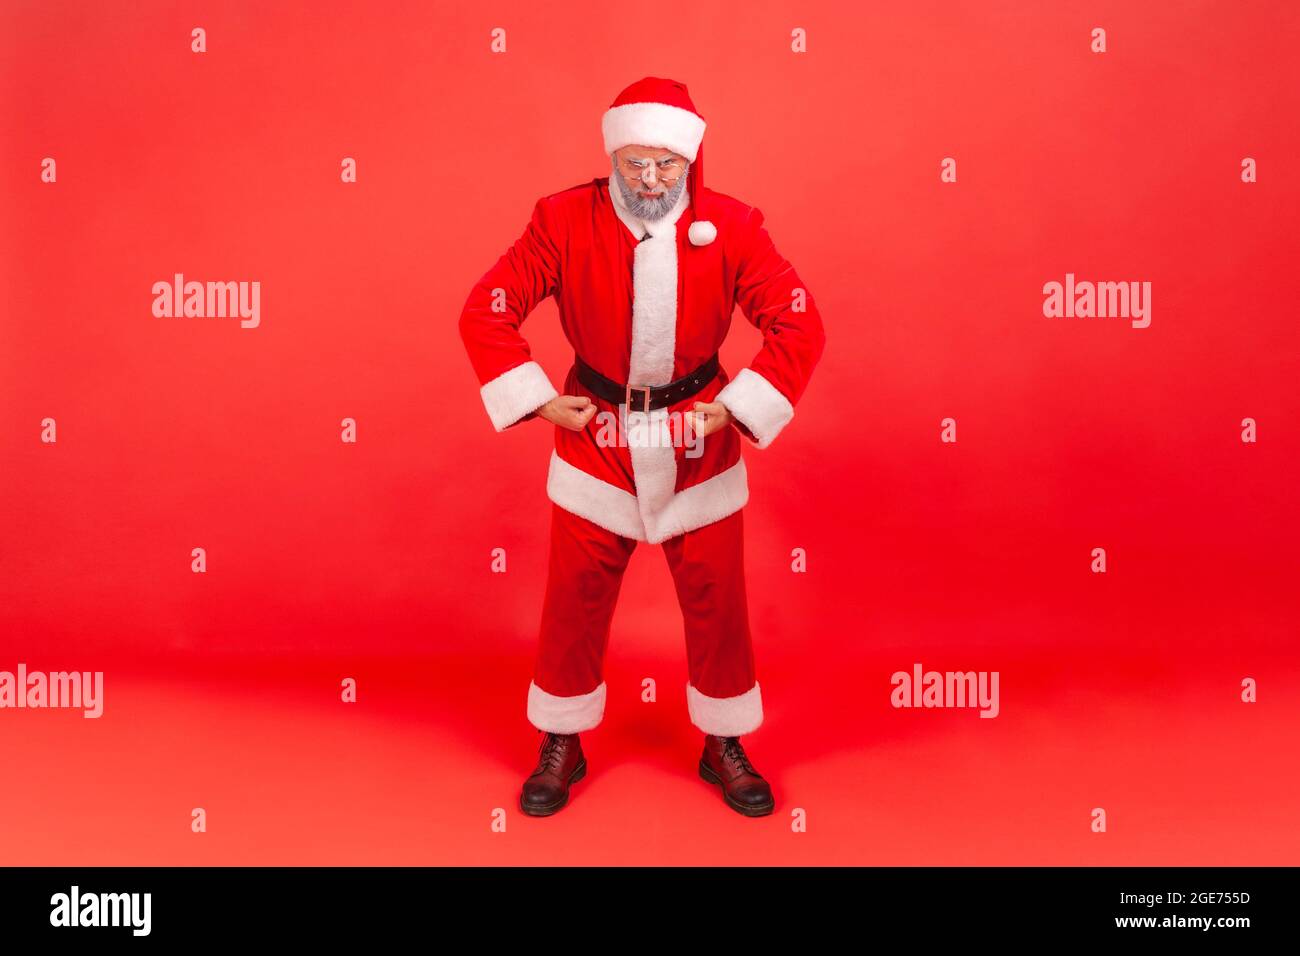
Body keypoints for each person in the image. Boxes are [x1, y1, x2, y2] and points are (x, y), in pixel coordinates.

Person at [457, 76, 826, 817]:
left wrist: (736, 408)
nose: (651, 180)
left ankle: (723, 741)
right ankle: (561, 738)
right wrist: (536, 399)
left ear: (690, 159)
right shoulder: (560, 219)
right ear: (614, 153)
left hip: (698, 435)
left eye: (666, 165)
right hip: (596, 432)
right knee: (574, 599)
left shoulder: (737, 224)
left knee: (719, 601)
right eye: (635, 165)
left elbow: (799, 323)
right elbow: (486, 309)